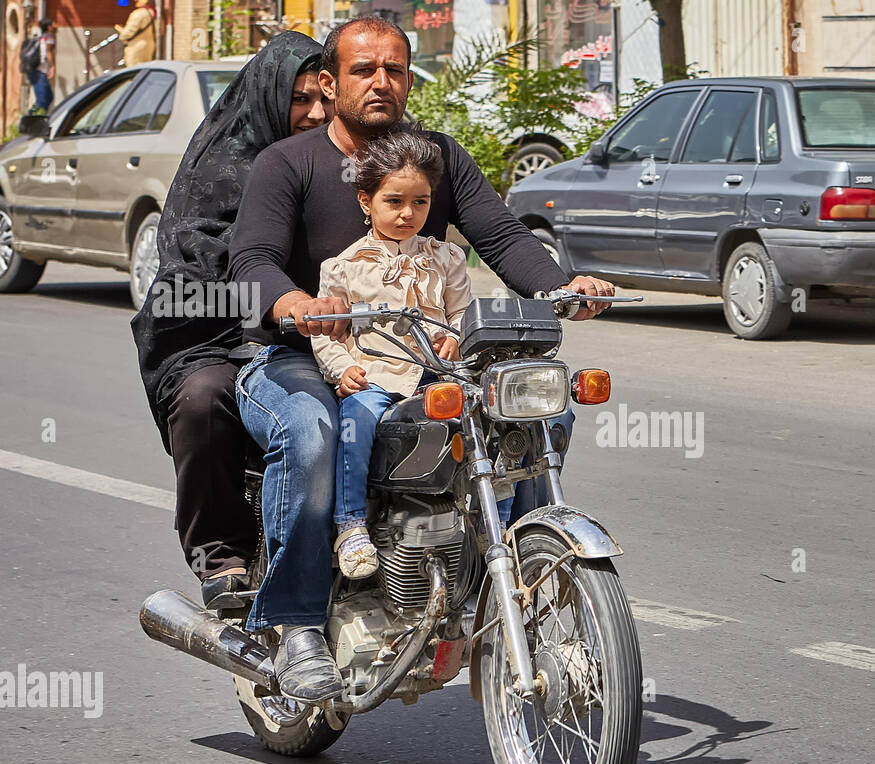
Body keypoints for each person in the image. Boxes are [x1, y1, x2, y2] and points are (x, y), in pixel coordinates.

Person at [227, 15, 615, 704]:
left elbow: (499, 235)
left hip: (412, 358)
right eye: (363, 69)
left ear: (410, 79)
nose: (381, 82)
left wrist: (559, 286)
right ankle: (295, 627)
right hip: (303, 358)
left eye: (395, 70)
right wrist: (292, 303)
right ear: (330, 81)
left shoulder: (436, 156)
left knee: (525, 413)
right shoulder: (289, 164)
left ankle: (506, 585)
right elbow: (251, 261)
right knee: (314, 434)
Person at [129, 31, 331, 611]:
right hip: (223, 336)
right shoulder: (224, 165)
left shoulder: (349, 160)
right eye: (297, 100)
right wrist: (280, 308)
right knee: (205, 396)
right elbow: (197, 277)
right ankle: (222, 554)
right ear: (269, 97)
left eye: (323, 97)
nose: (314, 114)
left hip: (344, 330)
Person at [310, 127, 476, 578]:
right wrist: (342, 370)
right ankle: (350, 524)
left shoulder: (447, 258)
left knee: (491, 412)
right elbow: (326, 332)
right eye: (394, 201)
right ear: (367, 201)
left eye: (420, 202)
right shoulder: (342, 267)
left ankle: (491, 516)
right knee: (356, 420)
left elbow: (462, 314)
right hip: (375, 374)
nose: (408, 214)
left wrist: (455, 338)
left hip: (437, 374)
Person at [22, 19, 55, 114]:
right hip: (39, 72)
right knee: (43, 99)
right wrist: (52, 67)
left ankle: (32, 115)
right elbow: (48, 52)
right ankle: (31, 119)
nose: (55, 27)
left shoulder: (39, 38)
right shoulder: (49, 37)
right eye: (53, 25)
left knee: (48, 97)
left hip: (33, 71)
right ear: (49, 27)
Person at [116, 0, 156, 68]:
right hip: (150, 44)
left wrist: (121, 32)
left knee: (133, 69)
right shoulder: (152, 12)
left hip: (136, 45)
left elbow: (128, 32)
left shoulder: (138, 14)